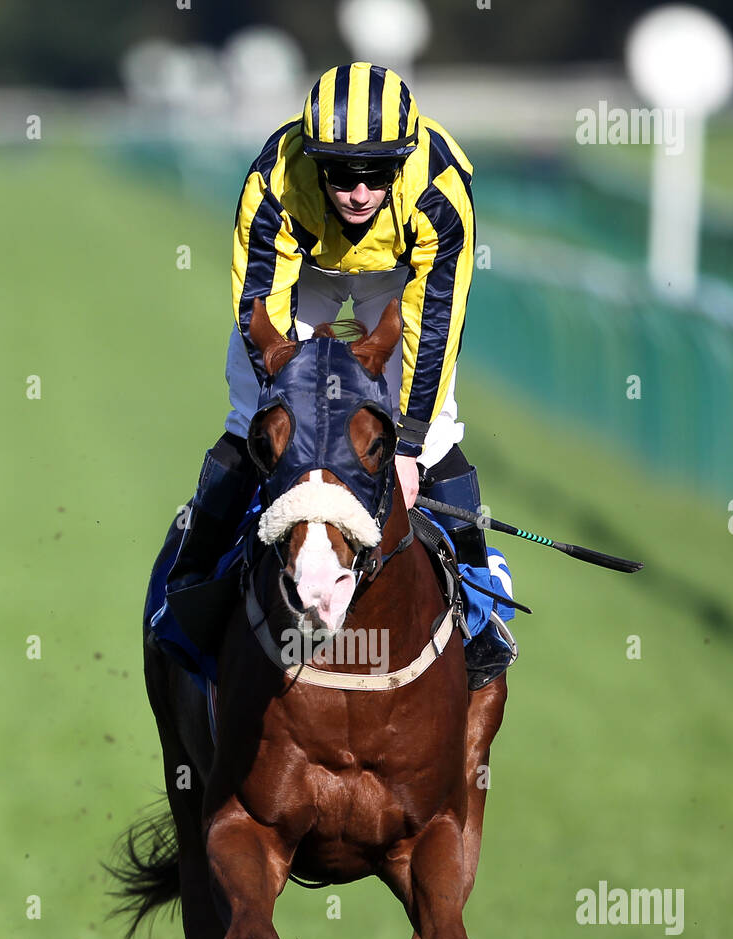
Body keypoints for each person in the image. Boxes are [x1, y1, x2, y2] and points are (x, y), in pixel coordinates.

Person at [166, 60, 516, 687]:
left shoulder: (440, 190)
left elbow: (433, 327)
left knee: (436, 436)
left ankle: (479, 597)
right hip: (305, 272)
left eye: (376, 175)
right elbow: (261, 315)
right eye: (341, 176)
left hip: (398, 276)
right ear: (314, 161)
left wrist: (407, 448)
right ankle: (188, 583)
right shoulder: (274, 183)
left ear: (401, 163)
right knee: (256, 419)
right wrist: (294, 411)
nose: (359, 192)